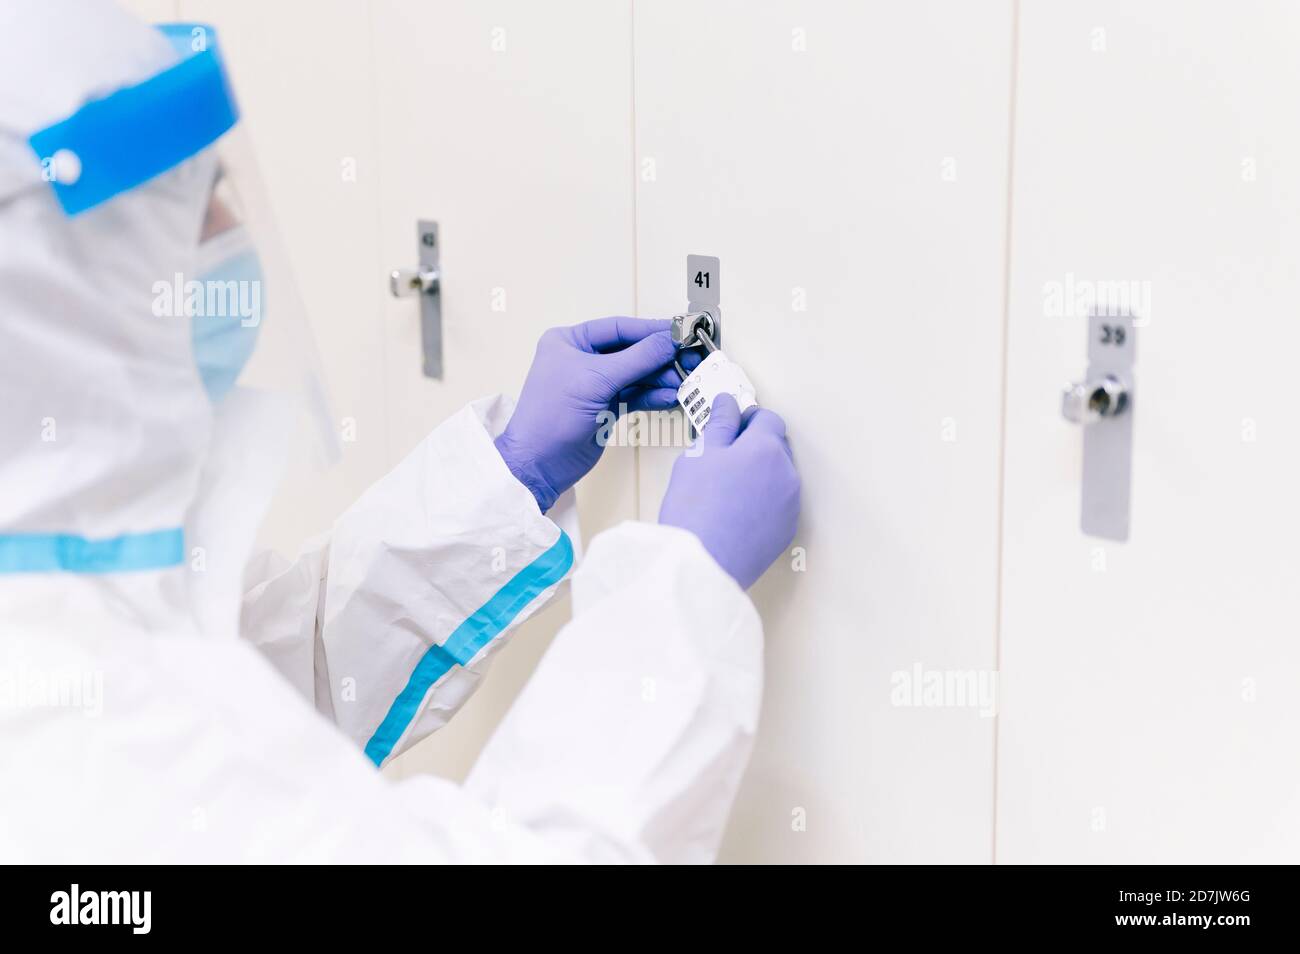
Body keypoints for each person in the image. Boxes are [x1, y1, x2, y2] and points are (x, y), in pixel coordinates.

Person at [0, 0, 800, 863]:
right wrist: (683, 588)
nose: (235, 238)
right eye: (195, 214)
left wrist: (510, 473)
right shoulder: (79, 747)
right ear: (60, 308)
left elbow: (281, 670)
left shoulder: (77, 626)